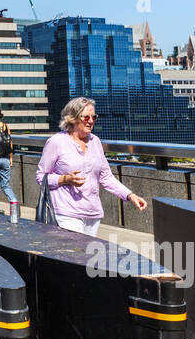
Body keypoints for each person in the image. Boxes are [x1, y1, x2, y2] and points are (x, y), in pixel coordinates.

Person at [36, 96, 148, 236]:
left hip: (92, 214)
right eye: (86, 117)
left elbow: (106, 177)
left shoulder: (95, 142)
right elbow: (41, 177)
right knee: (74, 255)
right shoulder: (56, 142)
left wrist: (130, 195)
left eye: (93, 117)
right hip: (66, 212)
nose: (91, 121)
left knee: (86, 256)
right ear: (73, 118)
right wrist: (64, 179)